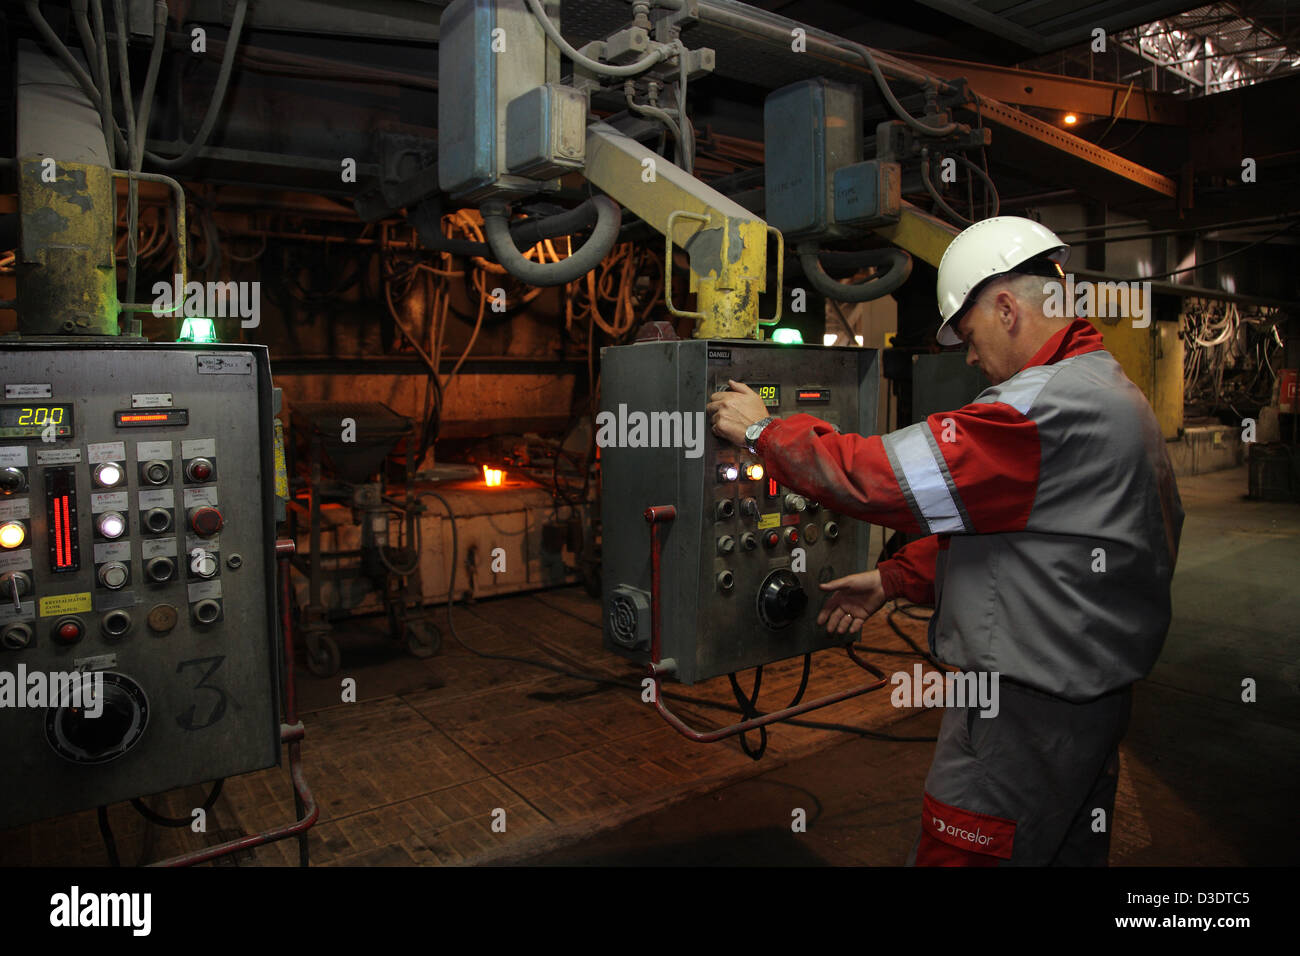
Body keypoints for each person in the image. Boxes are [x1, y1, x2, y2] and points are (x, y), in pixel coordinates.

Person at [706, 216, 1184, 866]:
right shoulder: (1108, 390)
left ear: (1008, 309)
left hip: (1021, 715)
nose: (968, 353)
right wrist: (895, 579)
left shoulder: (1036, 410)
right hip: (1087, 711)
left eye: (968, 332)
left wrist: (766, 433)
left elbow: (880, 478)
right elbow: (1039, 540)